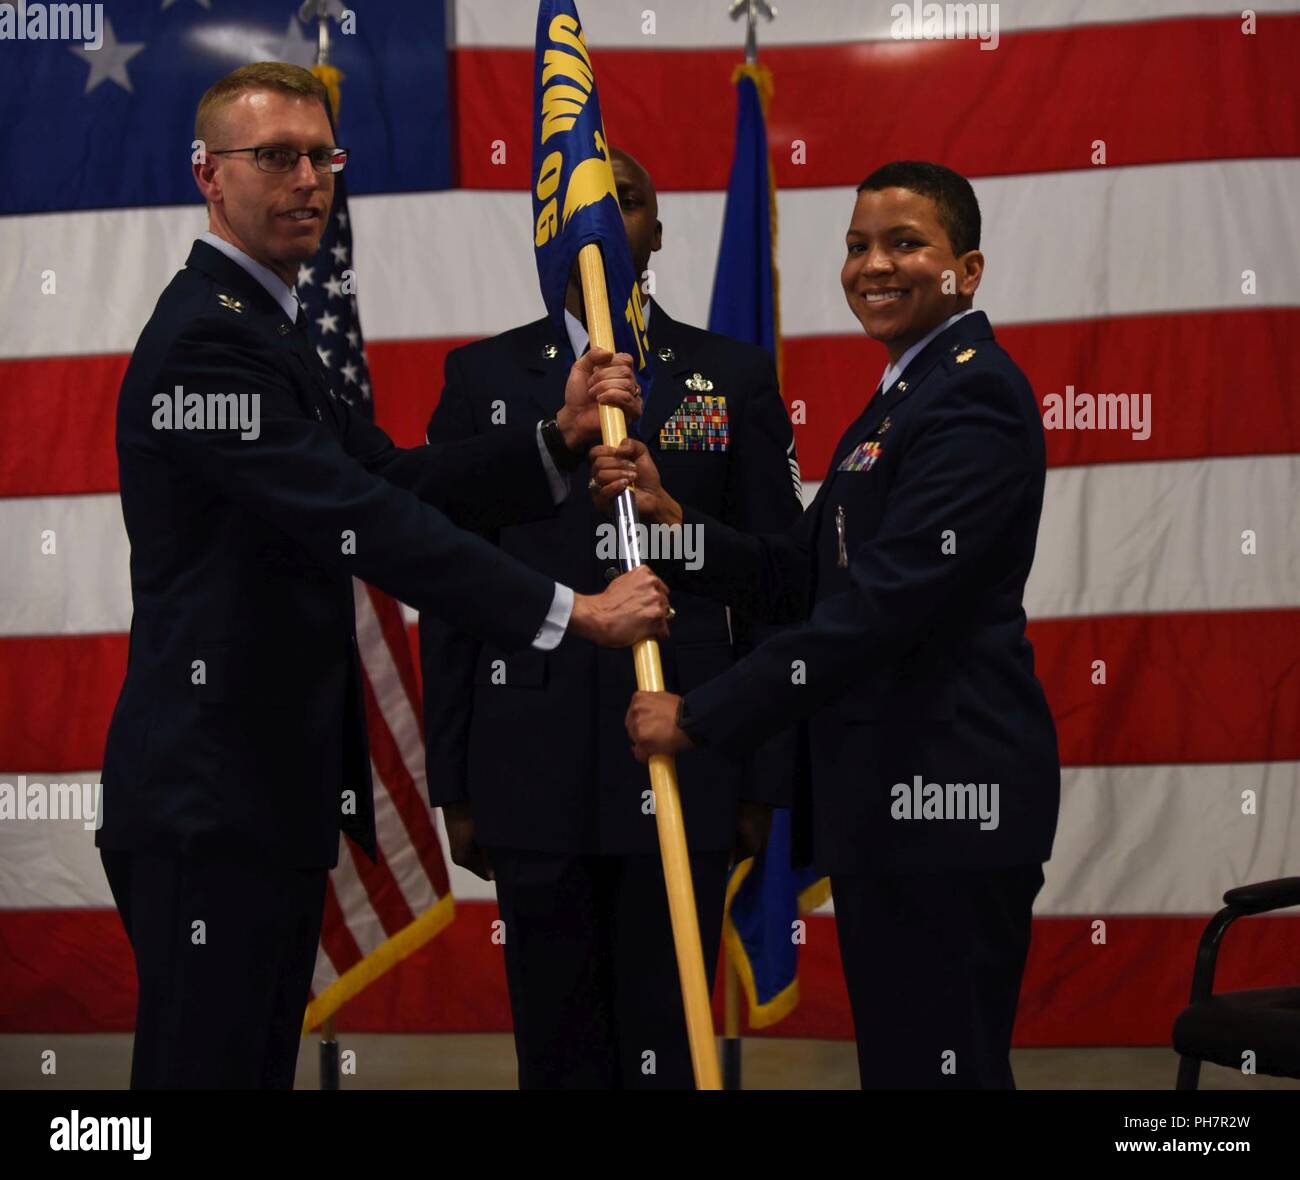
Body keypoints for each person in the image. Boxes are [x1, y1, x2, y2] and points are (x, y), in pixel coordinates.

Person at [97, 62, 669, 1090]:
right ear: (207, 174)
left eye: (323, 157)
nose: (308, 179)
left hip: (255, 793)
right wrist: (573, 612)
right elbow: (365, 521)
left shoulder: (266, 325)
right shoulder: (207, 340)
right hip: (208, 797)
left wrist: (555, 436)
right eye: (276, 156)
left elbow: (393, 478)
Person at [597, 161, 1061, 1089]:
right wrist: (674, 524)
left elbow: (878, 610)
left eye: (904, 243)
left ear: (967, 269)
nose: (872, 266)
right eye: (857, 245)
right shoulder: (902, 395)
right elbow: (804, 575)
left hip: (946, 797)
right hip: (888, 802)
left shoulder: (972, 395)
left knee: (942, 1073)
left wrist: (699, 716)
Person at [419, 148, 802, 1088]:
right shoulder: (480, 377)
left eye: (624, 201)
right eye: (576, 205)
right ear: (546, 233)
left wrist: (762, 776)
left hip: (687, 754)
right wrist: (455, 781)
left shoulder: (730, 376)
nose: (600, 222)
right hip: (529, 764)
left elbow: (778, 588)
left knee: (669, 1044)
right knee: (559, 1053)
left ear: (655, 232)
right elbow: (451, 588)